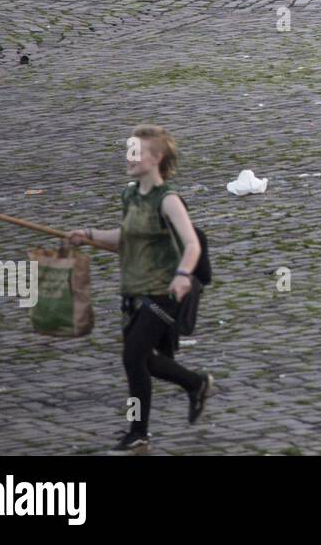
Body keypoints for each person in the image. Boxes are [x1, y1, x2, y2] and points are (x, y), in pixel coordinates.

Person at [70, 124, 213, 453]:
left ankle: (138, 433)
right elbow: (124, 238)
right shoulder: (131, 196)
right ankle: (196, 383)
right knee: (143, 360)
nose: (129, 157)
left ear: (156, 158)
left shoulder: (169, 201)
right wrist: (88, 234)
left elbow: (192, 245)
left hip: (165, 294)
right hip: (134, 292)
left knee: (133, 357)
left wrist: (181, 275)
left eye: (136, 151)